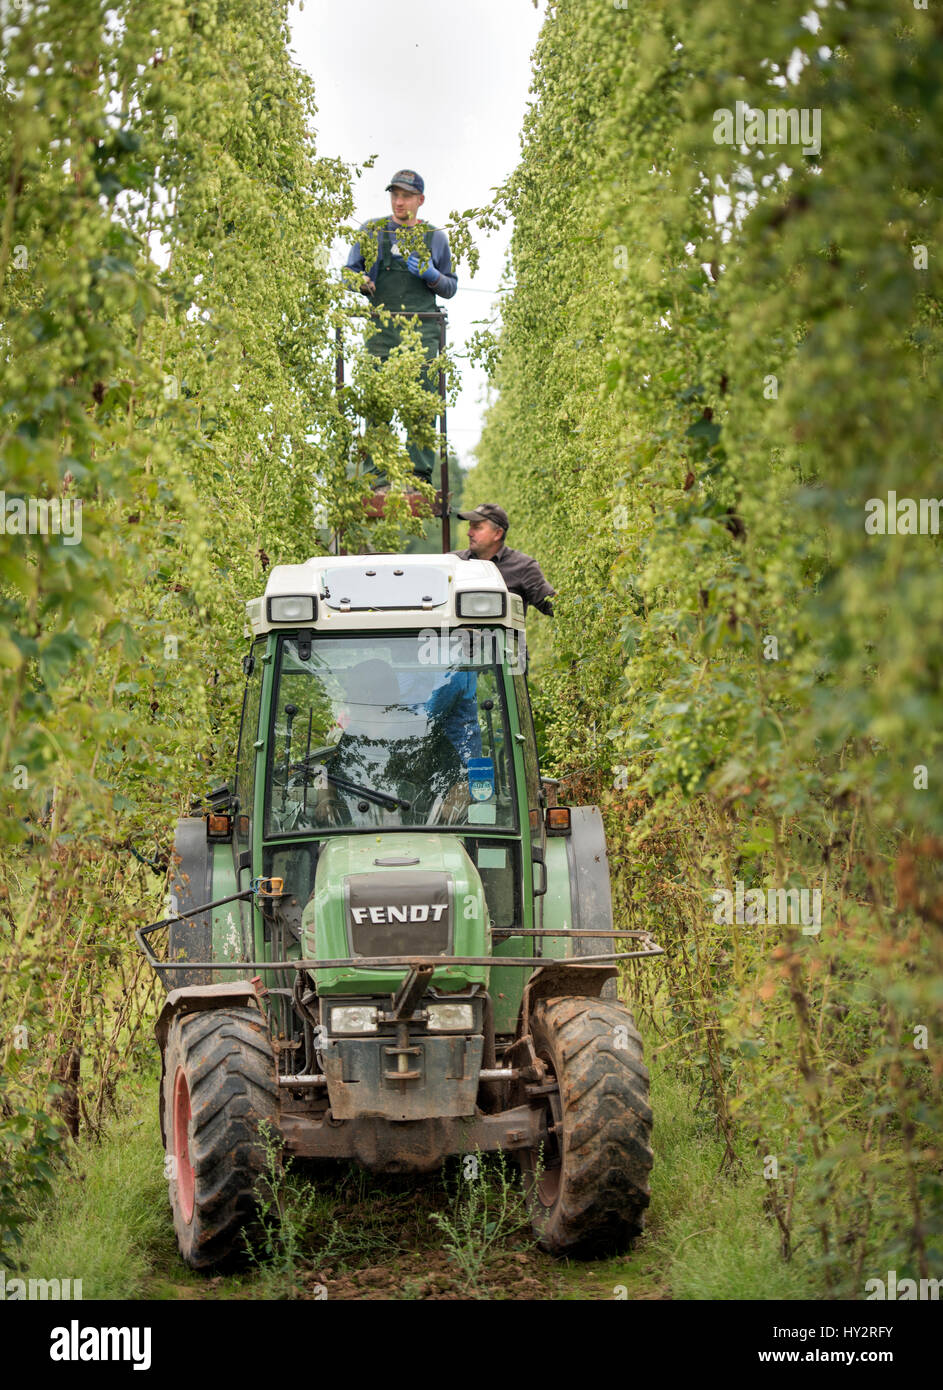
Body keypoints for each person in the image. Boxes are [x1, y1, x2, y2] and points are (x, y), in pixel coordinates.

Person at [343, 170, 457, 485]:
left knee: (421, 404)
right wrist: (361, 282)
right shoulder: (373, 231)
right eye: (395, 194)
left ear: (420, 200)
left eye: (406, 196)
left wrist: (431, 275)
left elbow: (450, 287)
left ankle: (418, 474)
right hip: (381, 331)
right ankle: (376, 475)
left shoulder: (435, 237)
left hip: (422, 333)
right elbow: (348, 273)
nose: (399, 201)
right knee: (377, 403)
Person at [453, 504, 556, 617]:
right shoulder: (453, 562)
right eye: (470, 527)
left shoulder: (523, 567)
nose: (469, 533)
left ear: (498, 534)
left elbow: (553, 605)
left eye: (477, 527)